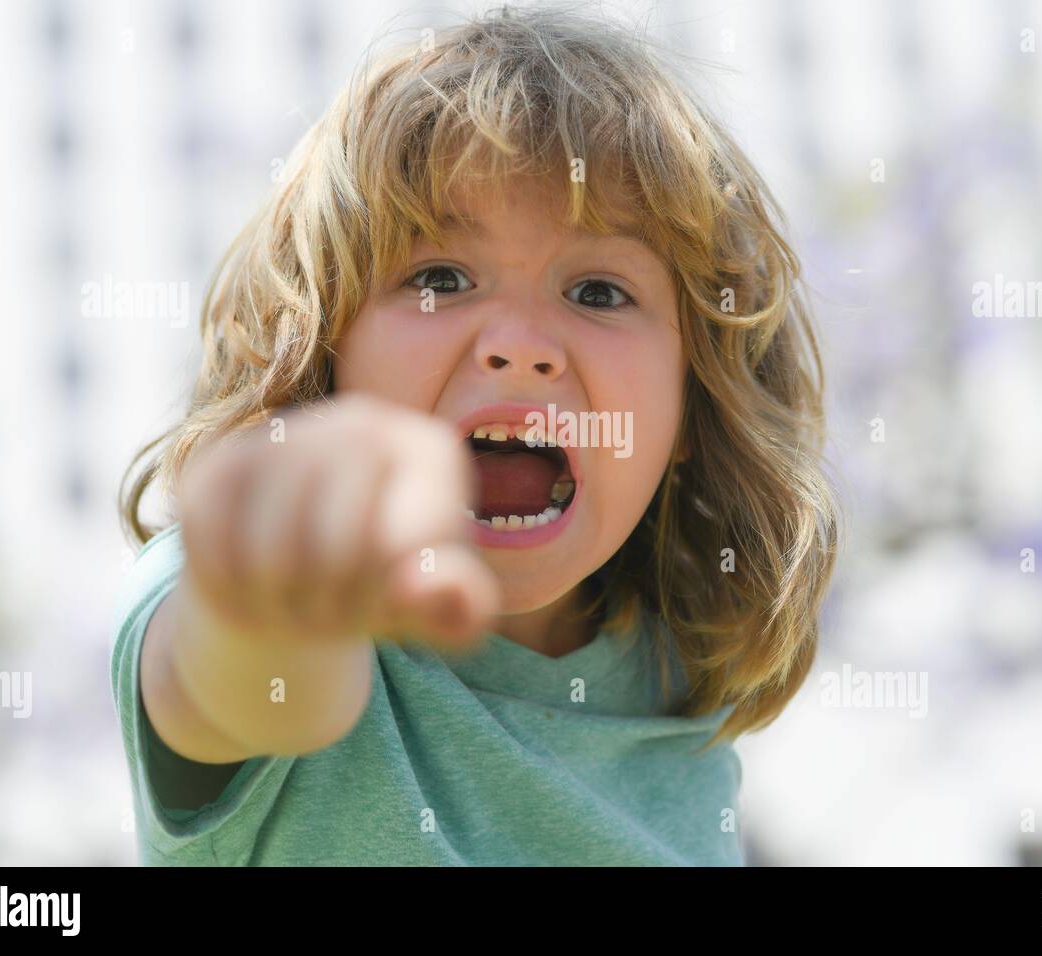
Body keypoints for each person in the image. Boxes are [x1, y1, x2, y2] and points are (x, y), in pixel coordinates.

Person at [112, 5, 837, 866]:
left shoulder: (677, 679)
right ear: (322, 355)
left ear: (693, 407)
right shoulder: (251, 587)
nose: (518, 346)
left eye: (600, 292)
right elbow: (250, 685)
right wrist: (268, 600)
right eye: (441, 278)